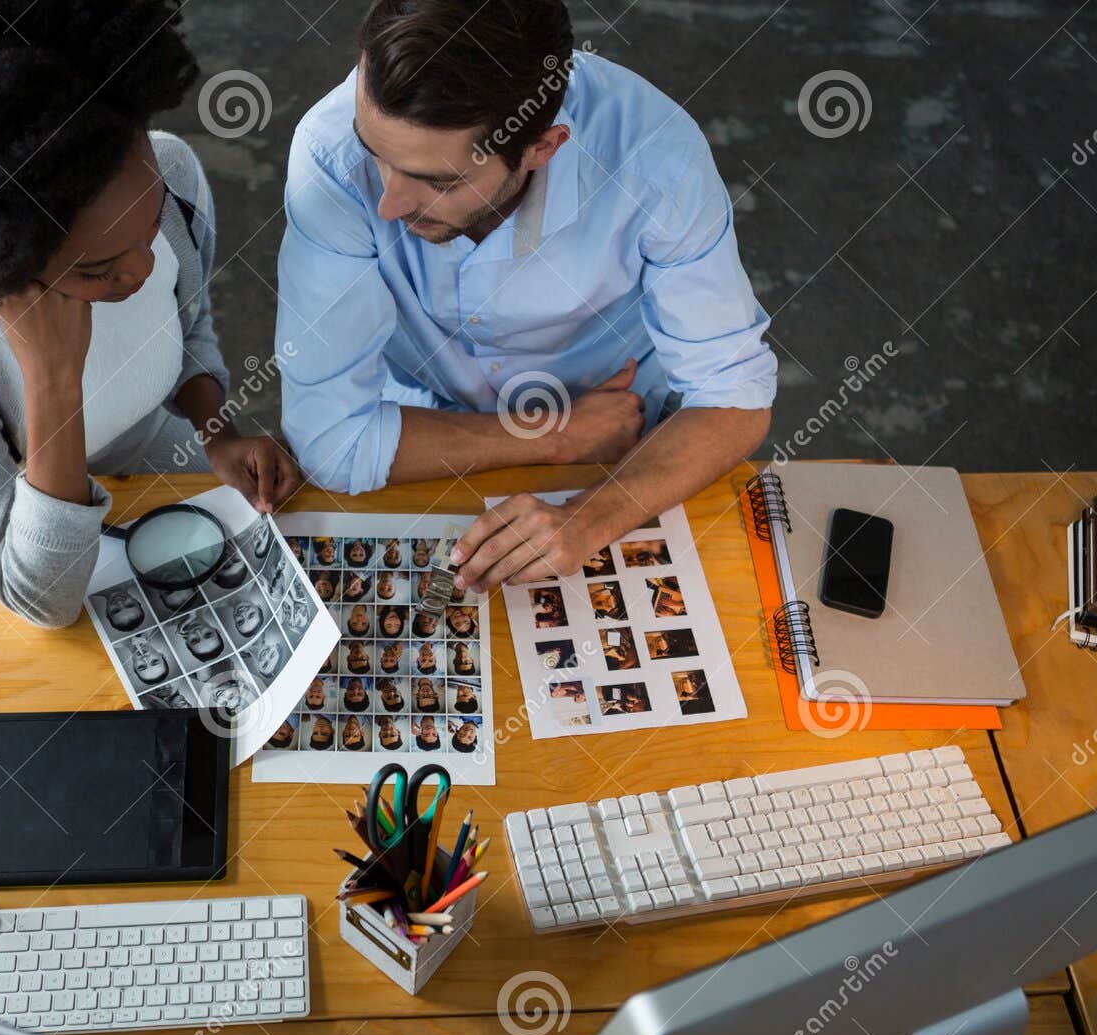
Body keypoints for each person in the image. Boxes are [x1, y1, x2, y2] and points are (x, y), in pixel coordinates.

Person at [277, 0, 775, 594]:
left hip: (627, 437)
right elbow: (331, 443)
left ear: (543, 147)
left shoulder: (657, 159)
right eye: (375, 155)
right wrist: (554, 434)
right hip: (424, 432)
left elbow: (732, 397)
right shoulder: (329, 153)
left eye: (438, 181)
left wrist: (590, 515)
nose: (388, 204)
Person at [0, 0, 300, 630]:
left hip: (161, 457)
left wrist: (216, 433)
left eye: (150, 227)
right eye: (97, 269)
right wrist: (53, 378)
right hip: (41, 519)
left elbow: (191, 329)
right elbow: (43, 600)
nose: (142, 270)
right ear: (2, 258)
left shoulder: (172, 175)